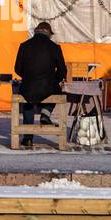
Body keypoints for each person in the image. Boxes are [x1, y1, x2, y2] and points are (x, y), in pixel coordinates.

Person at [14, 21, 68, 149]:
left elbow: (17, 68)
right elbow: (62, 71)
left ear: (36, 31)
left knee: (28, 102)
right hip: (48, 87)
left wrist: (28, 77)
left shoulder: (24, 46)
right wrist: (54, 80)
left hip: (28, 86)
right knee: (57, 90)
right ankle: (45, 113)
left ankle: (27, 138)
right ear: (49, 33)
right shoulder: (55, 47)